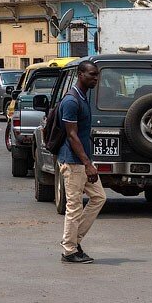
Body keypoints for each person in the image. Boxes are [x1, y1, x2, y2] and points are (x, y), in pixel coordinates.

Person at [59, 60, 107, 264]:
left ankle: (73, 240)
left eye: (97, 75)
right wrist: (88, 164)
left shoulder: (83, 97)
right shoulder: (71, 101)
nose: (95, 78)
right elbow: (72, 135)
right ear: (80, 75)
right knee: (74, 207)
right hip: (74, 163)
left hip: (82, 162)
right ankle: (69, 251)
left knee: (99, 197)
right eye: (91, 75)